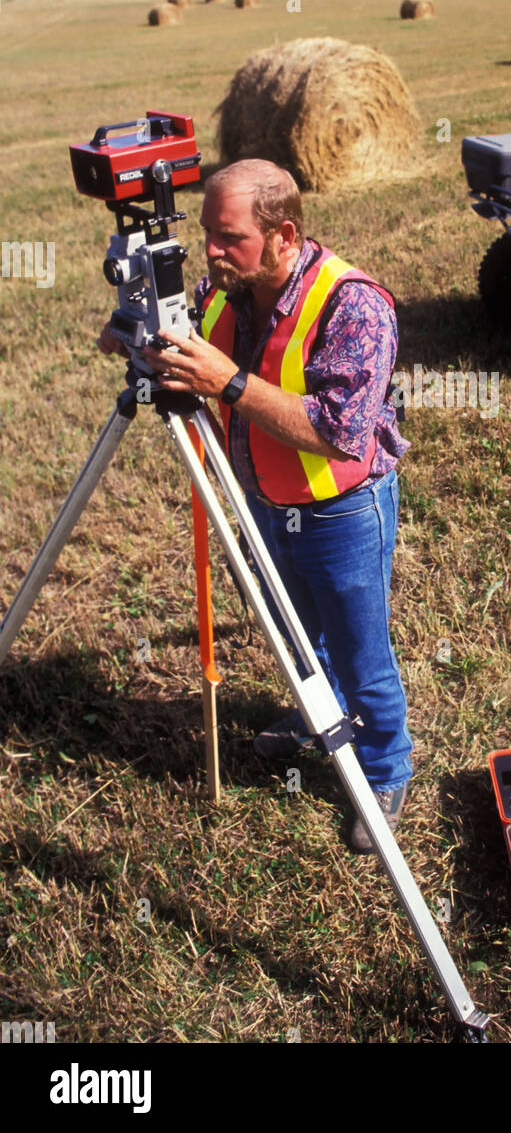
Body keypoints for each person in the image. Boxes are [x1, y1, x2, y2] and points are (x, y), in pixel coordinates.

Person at [98, 159, 412, 851]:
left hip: (341, 511)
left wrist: (229, 381)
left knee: (363, 654)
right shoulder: (223, 289)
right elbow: (183, 349)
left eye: (228, 237)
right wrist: (137, 335)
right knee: (296, 631)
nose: (208, 252)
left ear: (284, 235)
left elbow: (339, 433)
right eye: (206, 232)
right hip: (265, 503)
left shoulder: (354, 306)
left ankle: (386, 769)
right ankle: (312, 715)